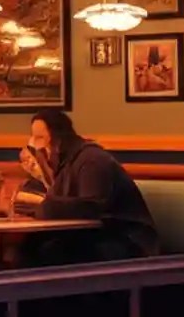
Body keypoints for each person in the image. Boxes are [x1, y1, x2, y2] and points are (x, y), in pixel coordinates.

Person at [14, 109, 159, 267]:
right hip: (92, 235)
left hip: (126, 239)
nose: (34, 144)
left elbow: (90, 208)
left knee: (53, 251)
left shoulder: (92, 160)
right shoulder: (63, 163)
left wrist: (43, 204)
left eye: (40, 138)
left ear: (58, 138)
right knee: (30, 246)